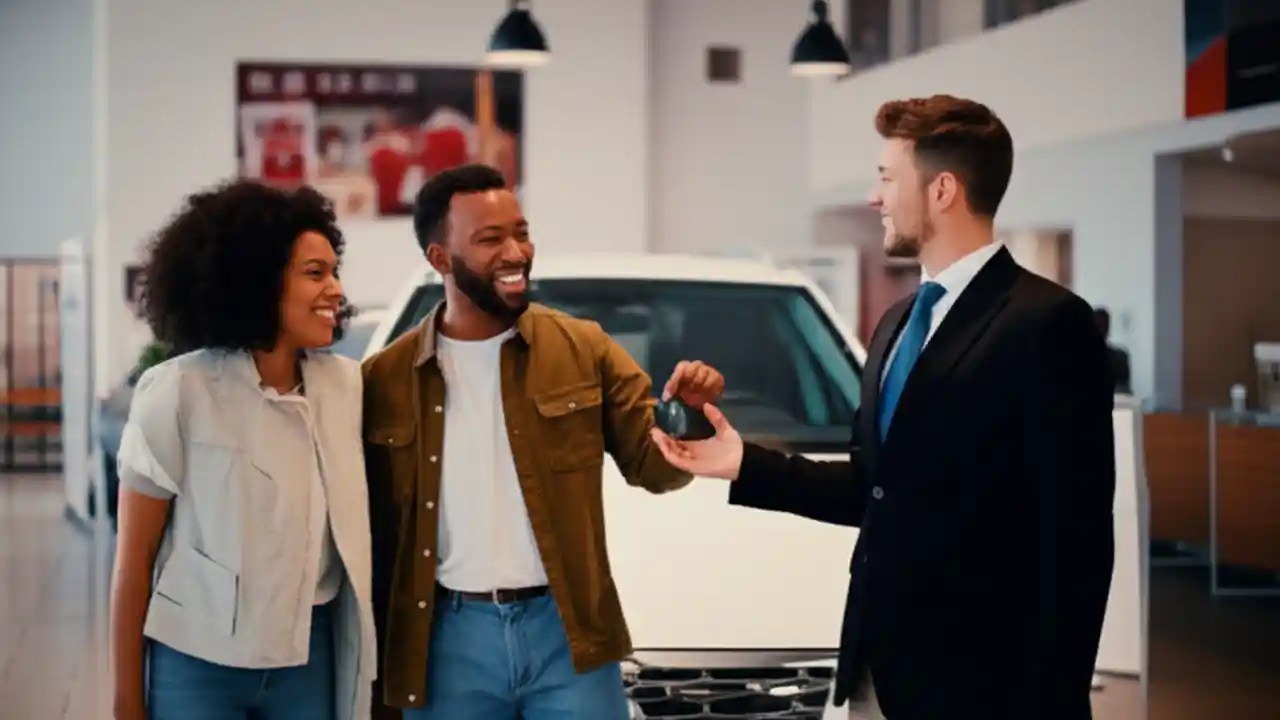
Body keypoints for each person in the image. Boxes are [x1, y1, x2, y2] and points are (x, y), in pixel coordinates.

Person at [650, 95, 1116, 719]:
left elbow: (1079, 541)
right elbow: (878, 488)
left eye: (887, 178)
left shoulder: (1047, 323)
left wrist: (1051, 700)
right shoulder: (897, 324)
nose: (875, 198)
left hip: (988, 689)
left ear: (942, 189)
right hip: (878, 673)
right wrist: (745, 463)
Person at [361, 164, 724, 719]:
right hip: (446, 641)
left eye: (521, 233)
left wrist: (689, 417)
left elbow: (657, 470)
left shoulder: (584, 349)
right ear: (439, 259)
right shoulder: (385, 379)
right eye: (490, 239)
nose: (516, 252)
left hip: (568, 633)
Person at [109, 180, 377, 720]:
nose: (336, 290)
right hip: (195, 662)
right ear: (257, 281)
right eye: (315, 273)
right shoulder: (178, 391)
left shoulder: (348, 389)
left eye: (335, 271)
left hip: (311, 655)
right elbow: (134, 563)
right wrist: (126, 701)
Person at [1094, 307, 1132, 394]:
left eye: (1103, 326)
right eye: (1097, 327)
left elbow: (1123, 390)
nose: (1100, 331)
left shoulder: (1120, 358)